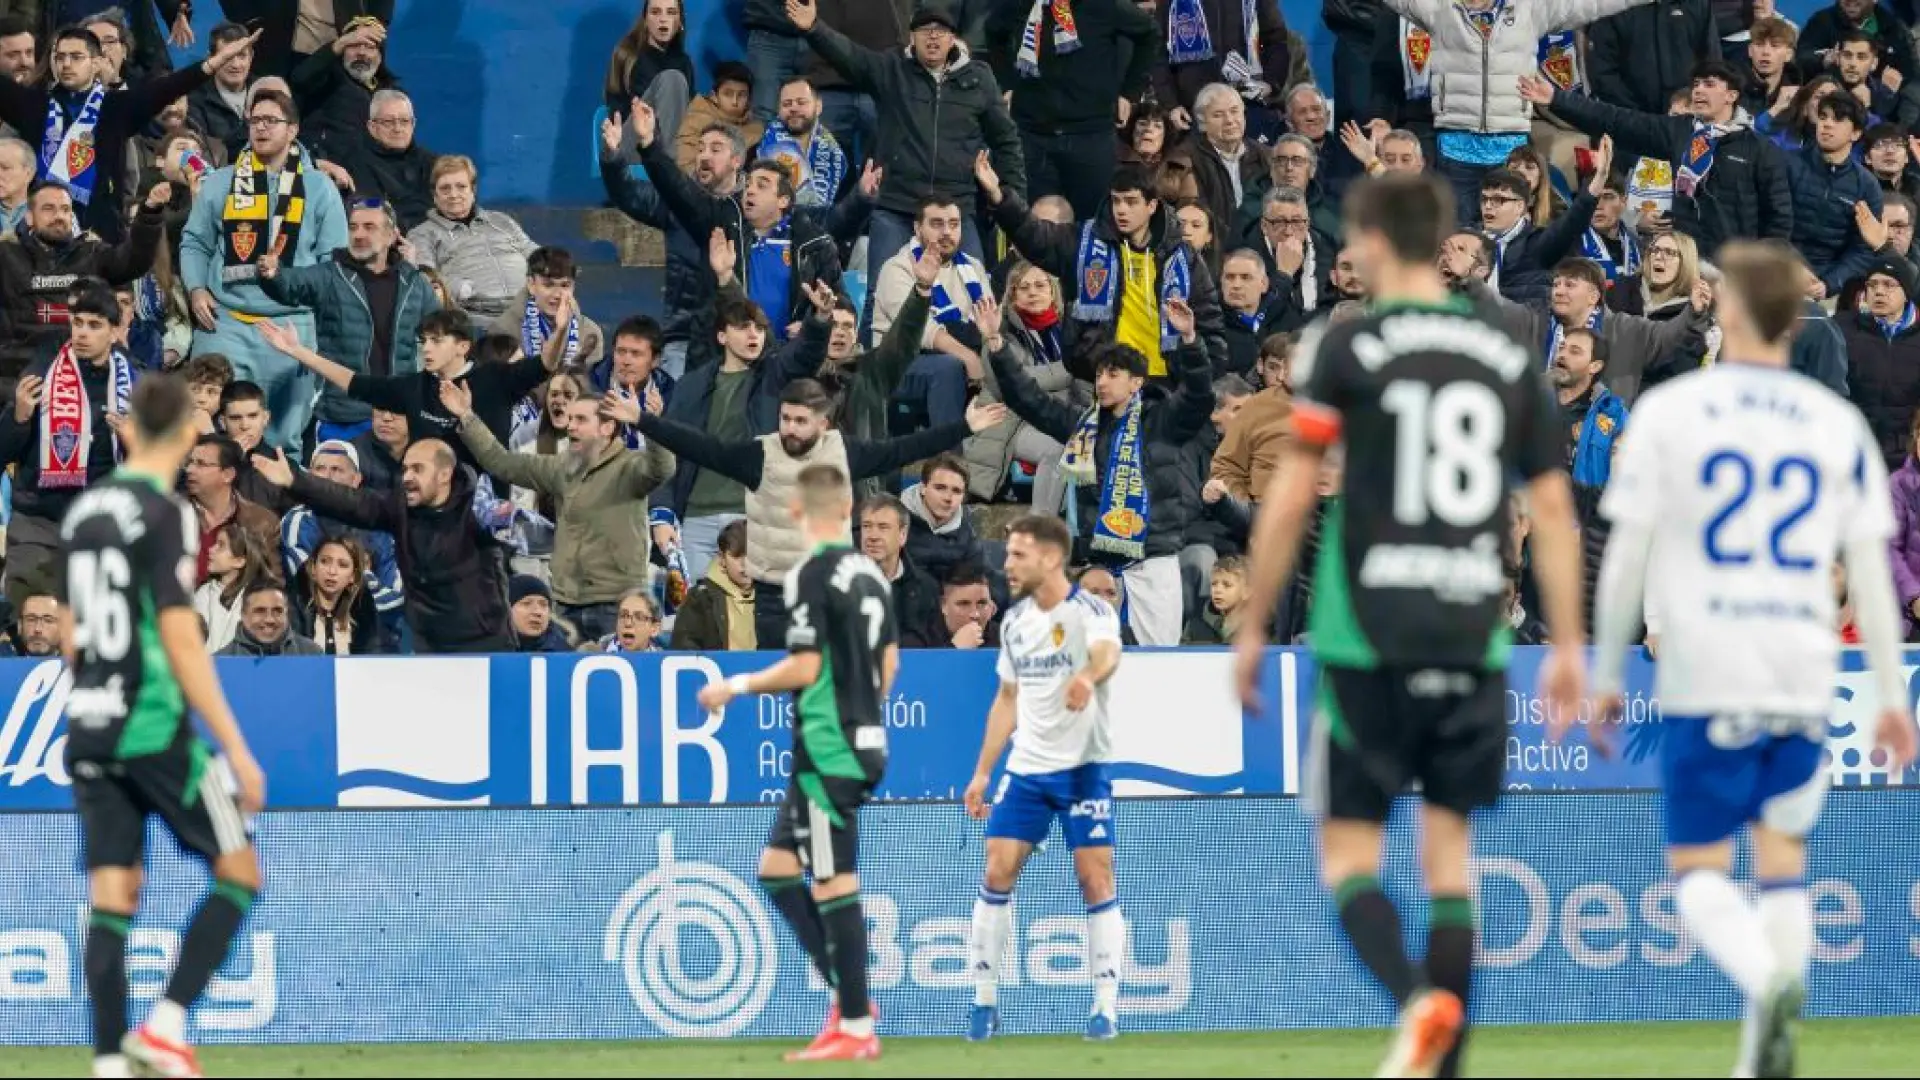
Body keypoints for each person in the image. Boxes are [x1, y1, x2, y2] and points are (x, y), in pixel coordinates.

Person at [1230, 172, 1588, 1078]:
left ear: (1377, 240)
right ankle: (1446, 1053)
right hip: (1473, 631)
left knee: (1349, 852)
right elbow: (1551, 516)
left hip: (1366, 633)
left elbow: (1285, 501)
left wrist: (1250, 628)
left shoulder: (1347, 345)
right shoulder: (1510, 355)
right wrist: (1572, 648)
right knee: (1449, 858)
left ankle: (1415, 998)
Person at [1578, 239, 1920, 1078]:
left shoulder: (1674, 414)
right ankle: (1760, 1050)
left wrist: (1608, 674)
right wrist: (1885, 689)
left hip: (1708, 662)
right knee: (1782, 863)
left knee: (1698, 868)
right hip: (1805, 666)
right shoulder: (1834, 424)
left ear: (1726, 313)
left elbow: (1628, 555)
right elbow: (1871, 575)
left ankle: (1767, 984)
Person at [54, 373, 266, 1080]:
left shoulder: (86, 510)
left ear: (131, 430)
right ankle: (168, 1027)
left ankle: (111, 1064)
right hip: (151, 721)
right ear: (182, 434)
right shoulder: (166, 512)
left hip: (87, 722)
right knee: (237, 870)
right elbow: (179, 634)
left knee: (112, 897)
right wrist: (234, 747)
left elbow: (71, 633)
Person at [696, 463, 898, 1063]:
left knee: (835, 881)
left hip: (828, 748)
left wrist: (736, 686)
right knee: (777, 870)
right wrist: (862, 712)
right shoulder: (869, 575)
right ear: (847, 514)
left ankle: (856, 1024)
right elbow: (890, 665)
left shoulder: (813, 573)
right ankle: (848, 994)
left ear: (794, 512)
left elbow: (806, 668)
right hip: (855, 738)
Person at [962, 513, 1124, 1041]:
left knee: (1095, 879)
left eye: (1017, 555)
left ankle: (1104, 1008)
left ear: (1050, 559)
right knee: (996, 870)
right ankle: (983, 1003)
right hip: (1028, 769)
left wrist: (1086, 675)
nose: (1006, 564)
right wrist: (983, 771)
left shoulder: (1090, 610)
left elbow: (1108, 652)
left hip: (1083, 768)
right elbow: (1006, 700)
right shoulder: (1013, 621)